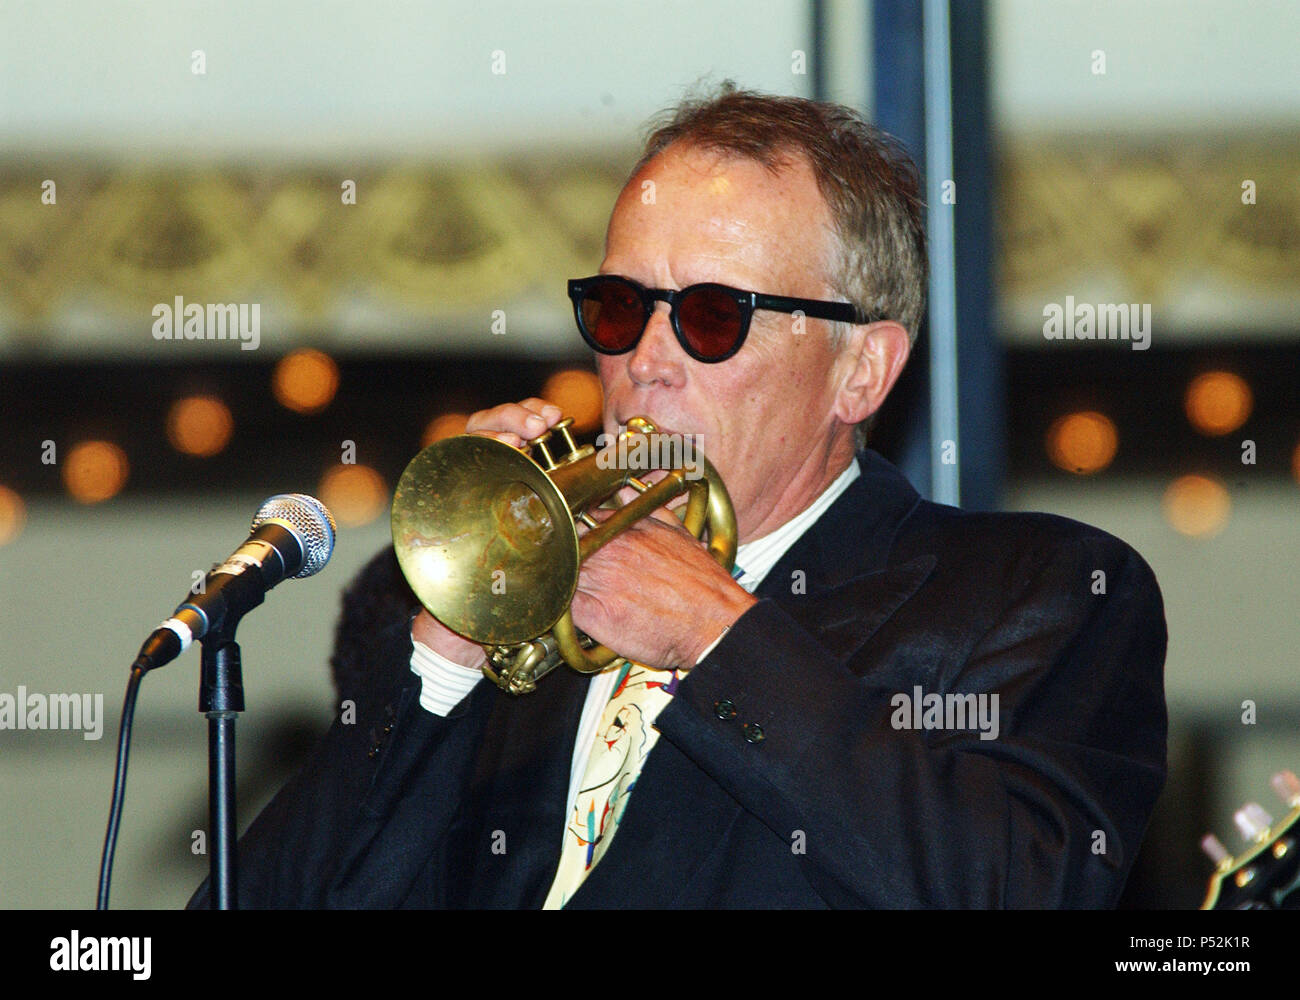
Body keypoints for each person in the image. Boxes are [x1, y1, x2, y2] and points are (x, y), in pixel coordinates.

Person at [189, 85, 1167, 909]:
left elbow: (1018, 887)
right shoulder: (512, 622)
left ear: (860, 371)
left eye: (710, 315)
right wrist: (444, 656)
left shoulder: (1041, 589)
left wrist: (714, 632)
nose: (644, 360)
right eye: (619, 307)